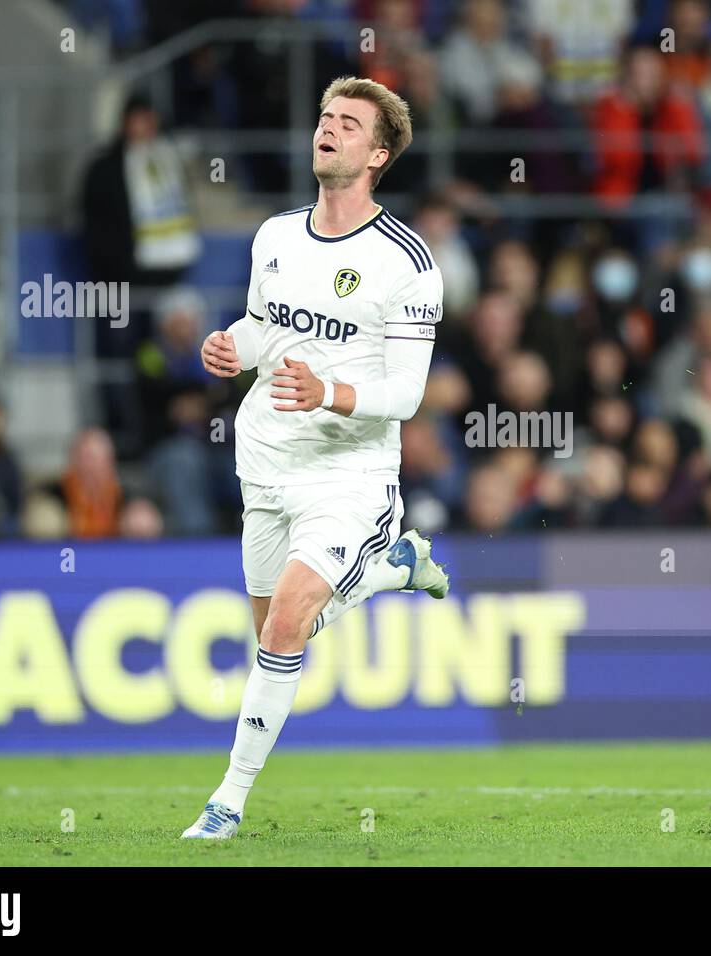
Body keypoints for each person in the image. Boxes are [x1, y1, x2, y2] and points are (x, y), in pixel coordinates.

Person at [186, 76, 449, 840]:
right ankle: (396, 567)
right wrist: (236, 346)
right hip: (264, 462)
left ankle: (226, 803)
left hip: (348, 475)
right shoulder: (276, 235)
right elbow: (270, 328)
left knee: (284, 628)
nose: (326, 129)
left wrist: (327, 390)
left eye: (347, 123)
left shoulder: (408, 261)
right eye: (325, 117)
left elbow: (404, 393)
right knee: (277, 631)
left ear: (379, 153)